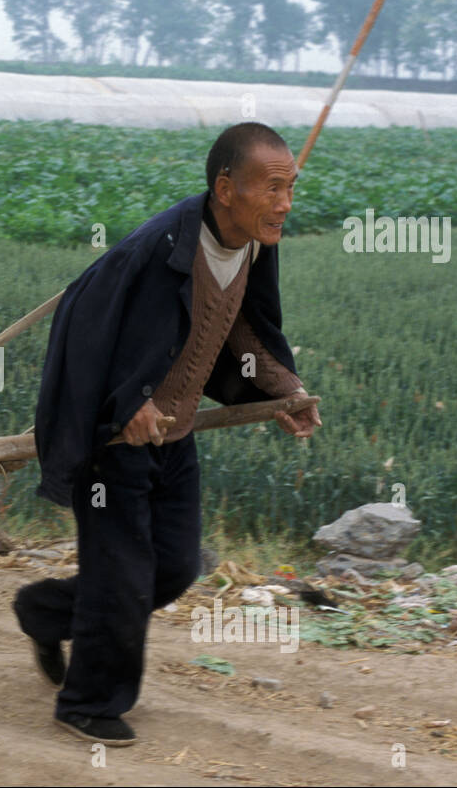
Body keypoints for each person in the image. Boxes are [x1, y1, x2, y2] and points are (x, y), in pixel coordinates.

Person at [17, 122, 322, 746]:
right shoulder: (159, 250)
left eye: (291, 187)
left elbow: (245, 331)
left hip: (174, 437)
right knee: (123, 578)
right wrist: (123, 405)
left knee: (175, 568)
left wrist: (283, 391)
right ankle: (88, 704)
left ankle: (45, 612)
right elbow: (89, 332)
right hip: (116, 446)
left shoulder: (253, 246)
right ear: (225, 188)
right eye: (272, 188)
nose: (286, 203)